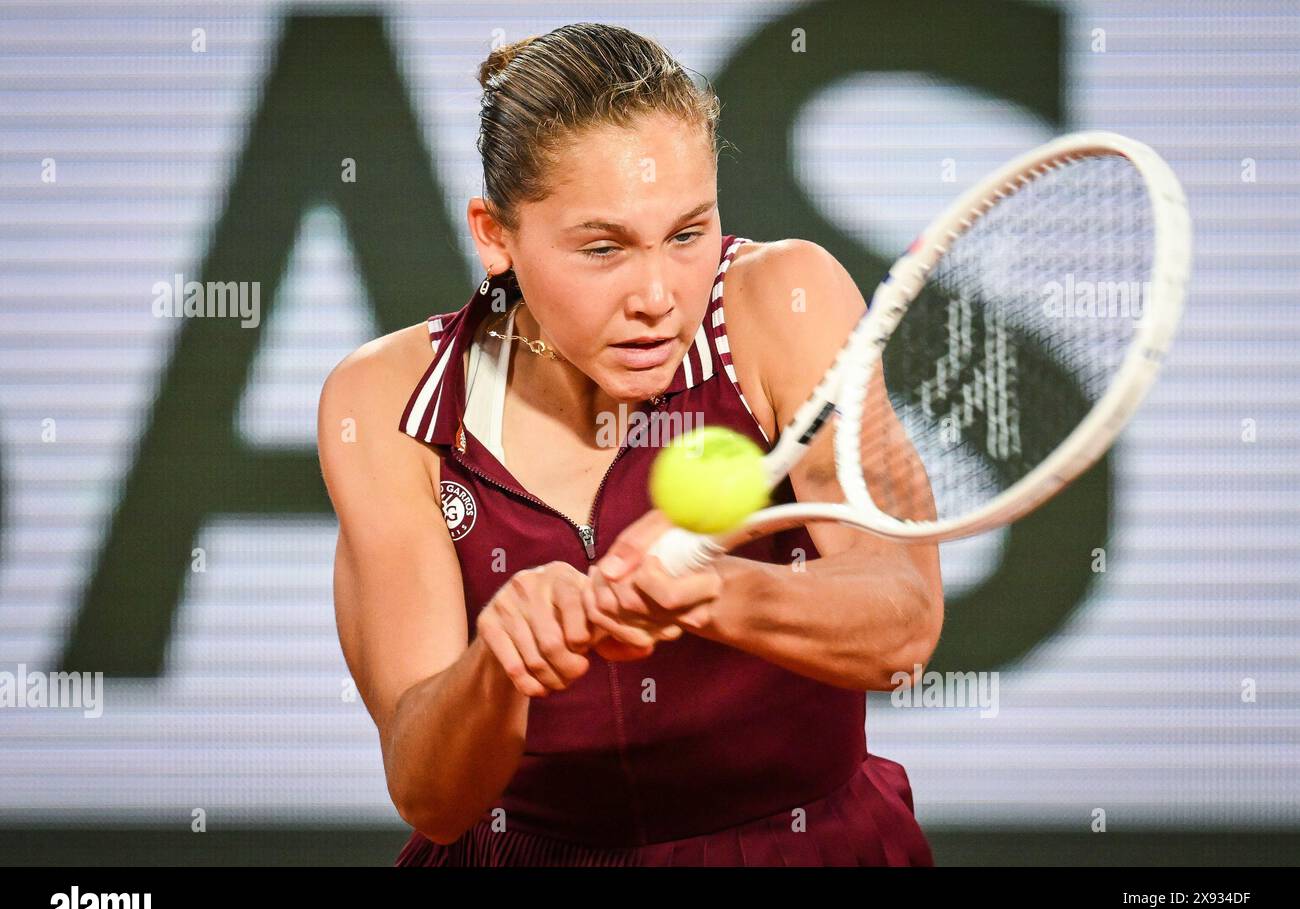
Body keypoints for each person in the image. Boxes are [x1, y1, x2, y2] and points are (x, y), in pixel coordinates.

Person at [317, 22, 943, 866]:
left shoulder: (786, 301)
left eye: (688, 235)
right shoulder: (385, 398)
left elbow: (903, 621)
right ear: (495, 235)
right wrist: (500, 666)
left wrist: (706, 590)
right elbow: (431, 795)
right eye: (603, 248)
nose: (657, 296)